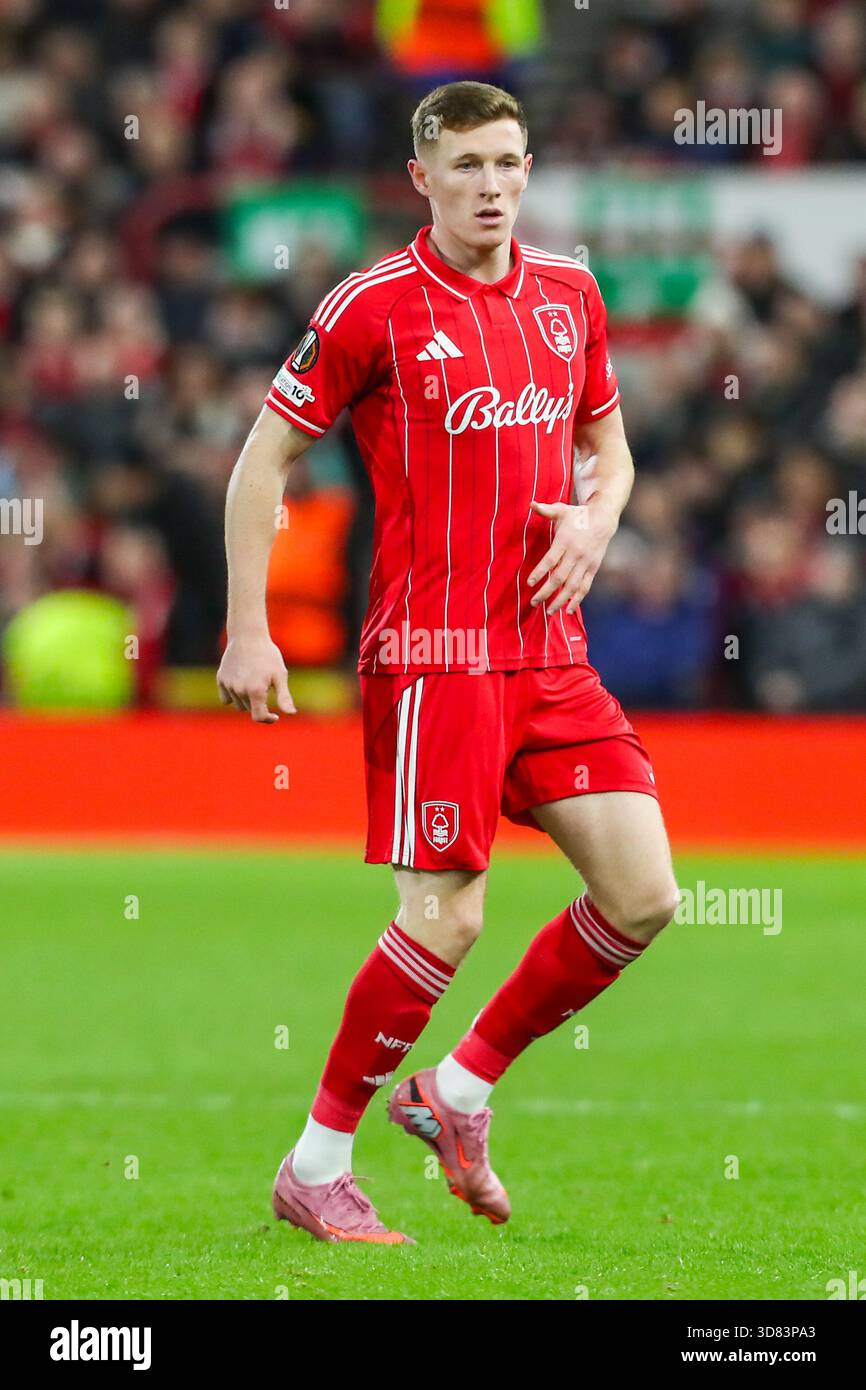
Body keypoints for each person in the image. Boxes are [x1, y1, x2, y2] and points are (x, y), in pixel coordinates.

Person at [217, 80, 680, 1245]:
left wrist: (594, 522)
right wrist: (248, 624)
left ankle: (459, 1087)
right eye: (467, 166)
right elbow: (261, 464)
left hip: (549, 654)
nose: (492, 188)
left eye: (510, 164)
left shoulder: (571, 295)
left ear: (530, 170)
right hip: (435, 656)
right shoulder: (372, 306)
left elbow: (609, 455)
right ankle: (315, 1163)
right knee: (444, 920)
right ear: (421, 176)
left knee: (644, 894)